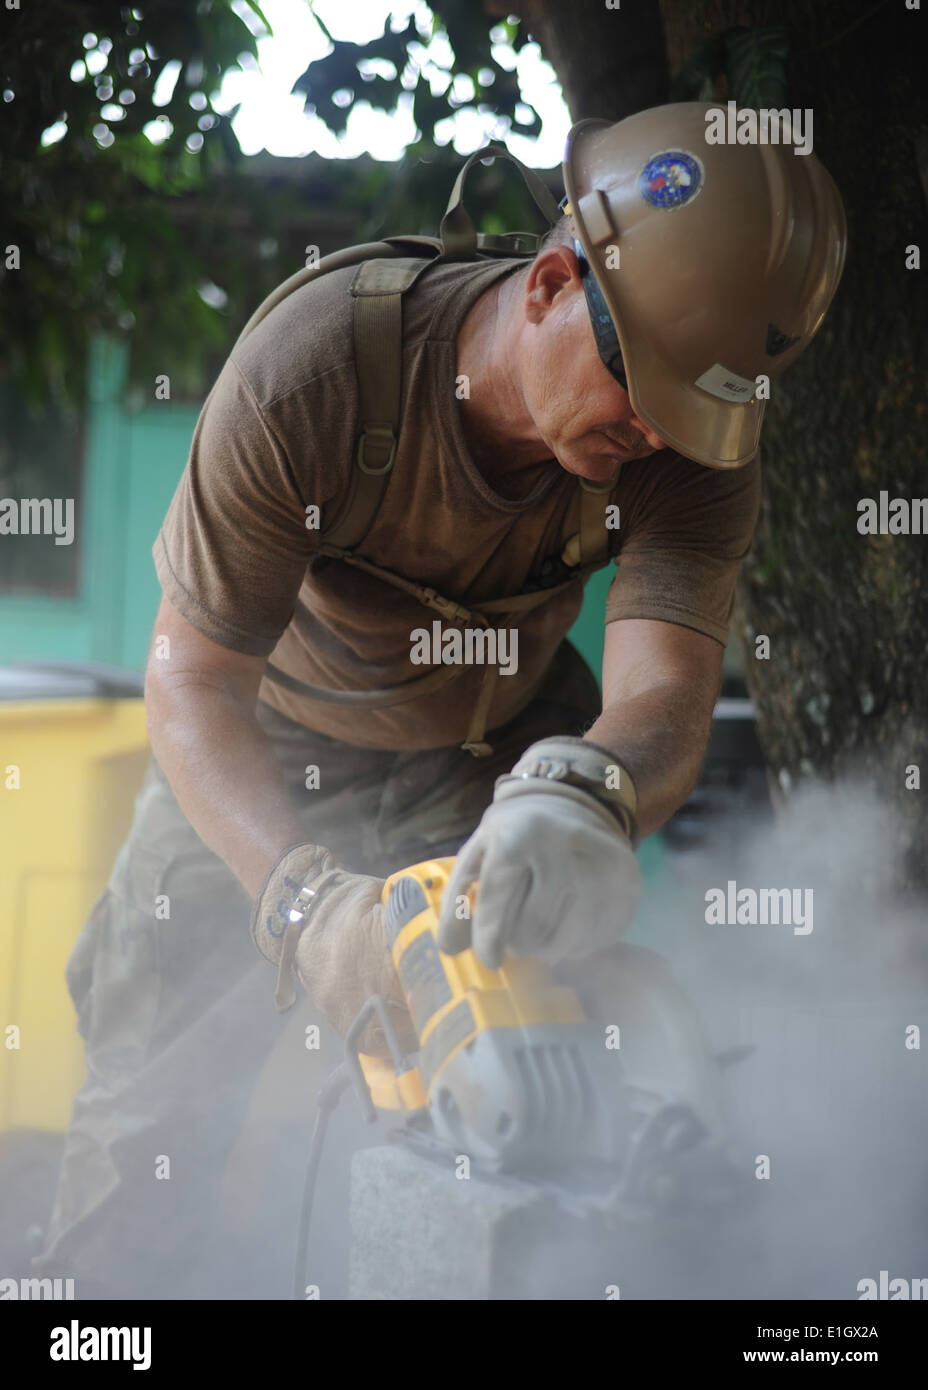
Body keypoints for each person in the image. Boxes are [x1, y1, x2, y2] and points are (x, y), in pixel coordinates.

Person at [34, 103, 846, 1299]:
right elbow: (190, 680)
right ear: (552, 282)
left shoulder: (692, 446)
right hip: (261, 754)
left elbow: (664, 691)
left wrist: (583, 793)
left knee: (543, 1124)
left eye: (692, 412)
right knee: (148, 1135)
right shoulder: (315, 374)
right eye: (645, 388)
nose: (655, 432)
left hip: (497, 766)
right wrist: (310, 908)